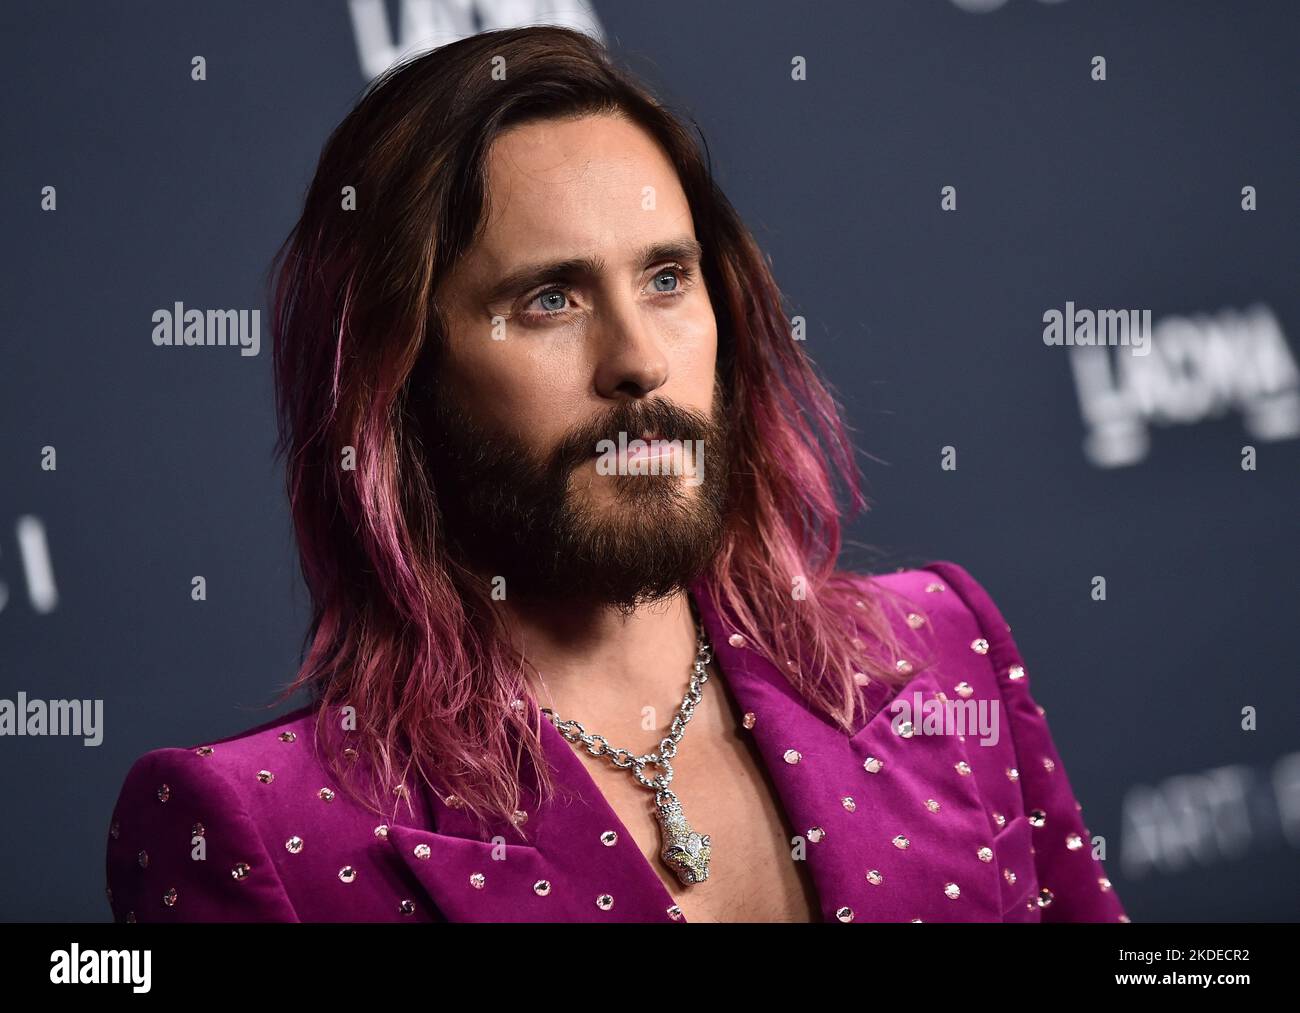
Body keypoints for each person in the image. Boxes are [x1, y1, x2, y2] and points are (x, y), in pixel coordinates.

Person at [105, 25, 1127, 924]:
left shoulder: (941, 652)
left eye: (666, 277)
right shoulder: (260, 832)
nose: (637, 359)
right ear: (397, 377)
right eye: (550, 298)